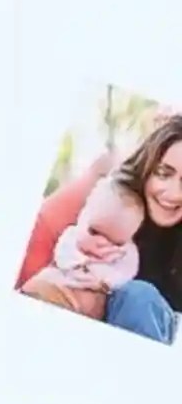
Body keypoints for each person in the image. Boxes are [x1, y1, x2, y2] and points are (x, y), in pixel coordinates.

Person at [16, 114, 182, 345]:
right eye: (164, 173)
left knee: (137, 296)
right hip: (77, 316)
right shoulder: (114, 199)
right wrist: (82, 234)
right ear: (148, 167)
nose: (173, 194)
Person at [19, 175, 144, 319]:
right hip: (64, 280)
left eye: (115, 242)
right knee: (44, 278)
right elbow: (62, 255)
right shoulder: (75, 234)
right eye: (94, 232)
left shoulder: (128, 252)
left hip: (95, 294)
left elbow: (126, 273)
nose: (101, 244)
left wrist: (104, 282)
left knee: (95, 304)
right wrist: (81, 259)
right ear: (83, 216)